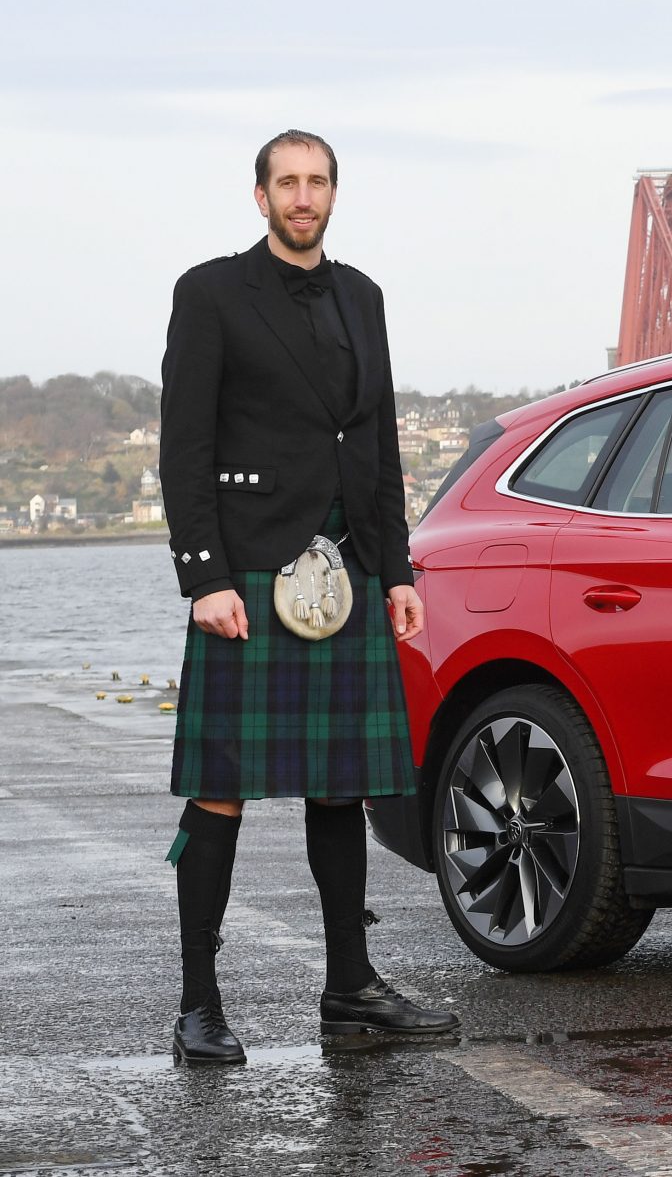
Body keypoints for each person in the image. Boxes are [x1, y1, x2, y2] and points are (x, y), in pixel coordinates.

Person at [160, 130, 460, 1063]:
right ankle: (199, 1004)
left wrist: (397, 568)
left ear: (334, 193)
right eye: (286, 182)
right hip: (250, 570)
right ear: (260, 196)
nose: (302, 196)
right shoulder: (211, 292)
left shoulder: (362, 295)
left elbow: (377, 443)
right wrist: (204, 575)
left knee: (343, 783)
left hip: (350, 567)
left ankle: (350, 990)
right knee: (220, 787)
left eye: (317, 181)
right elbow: (185, 444)